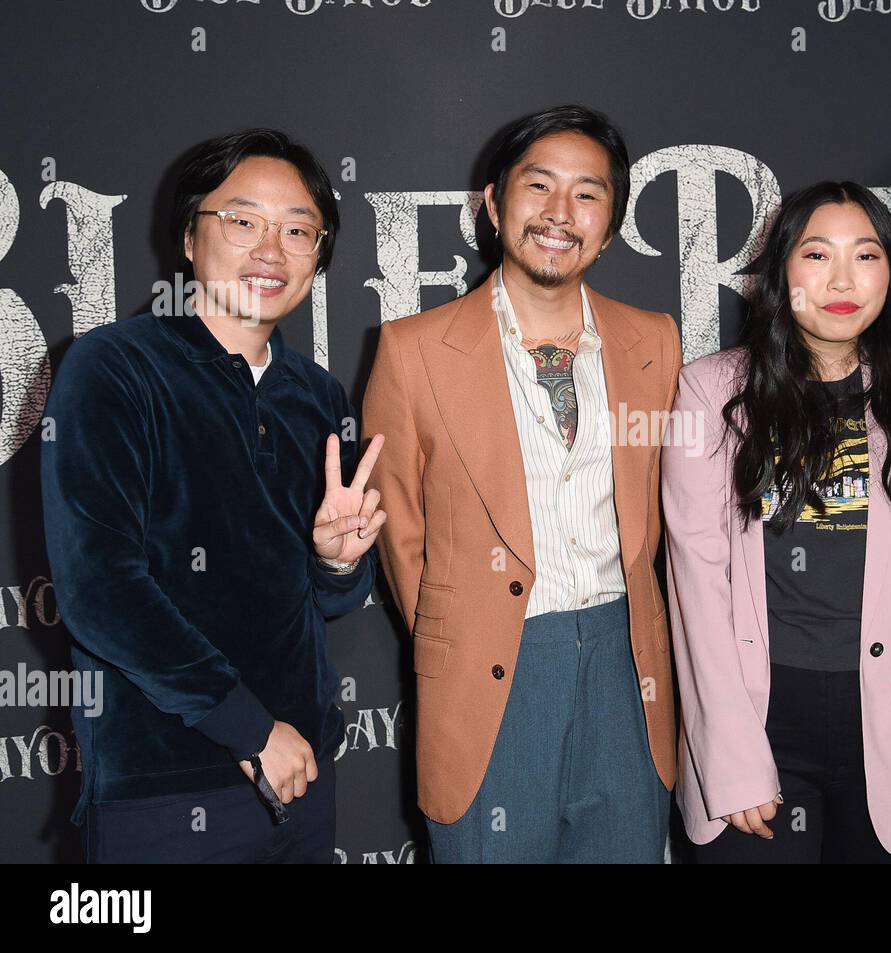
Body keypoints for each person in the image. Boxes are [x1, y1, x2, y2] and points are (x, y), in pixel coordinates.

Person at [41, 129, 384, 863]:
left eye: (298, 231)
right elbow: (99, 587)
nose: (271, 250)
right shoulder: (113, 367)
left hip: (303, 773)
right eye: (242, 220)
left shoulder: (318, 395)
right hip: (167, 784)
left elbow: (330, 600)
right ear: (190, 238)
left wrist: (334, 564)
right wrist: (248, 727)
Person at [363, 105, 682, 863]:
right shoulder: (413, 353)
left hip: (625, 668)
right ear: (494, 203)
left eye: (587, 194)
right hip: (490, 680)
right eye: (538, 186)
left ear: (609, 226)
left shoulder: (656, 340)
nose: (559, 214)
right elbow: (399, 531)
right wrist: (461, 638)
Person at [663, 181, 891, 863]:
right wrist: (730, 756)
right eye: (817, 254)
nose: (843, 278)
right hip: (761, 723)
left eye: (866, 256)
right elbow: (697, 585)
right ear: (781, 270)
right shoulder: (712, 391)